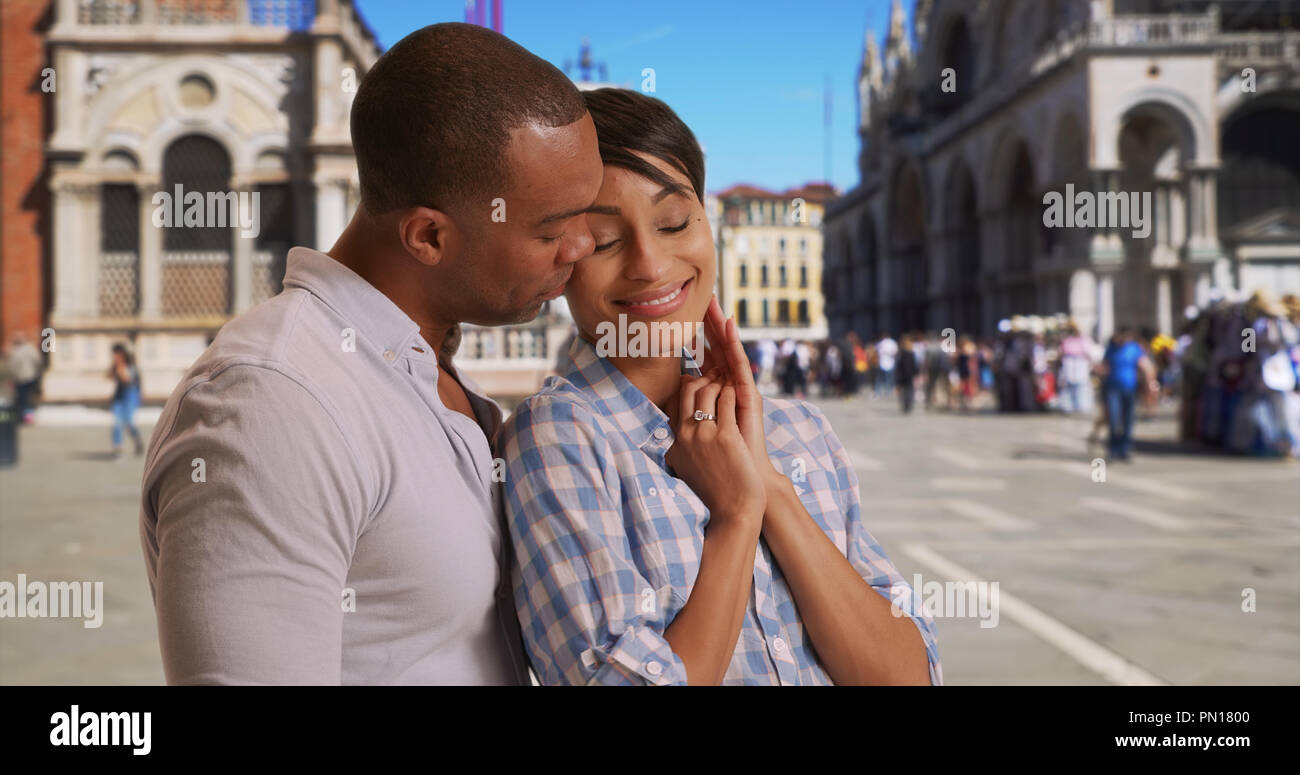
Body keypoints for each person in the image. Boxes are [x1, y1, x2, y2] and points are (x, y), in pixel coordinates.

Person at [139, 23, 603, 684]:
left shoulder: (425, 371)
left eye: (588, 213)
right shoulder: (273, 407)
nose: (582, 246)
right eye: (552, 227)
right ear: (429, 236)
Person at [501, 88, 940, 686]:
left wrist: (768, 486)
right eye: (605, 241)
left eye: (675, 222)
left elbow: (910, 676)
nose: (651, 264)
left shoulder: (800, 429)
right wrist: (735, 515)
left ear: (706, 221)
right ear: (562, 260)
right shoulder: (559, 436)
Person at [1100, 325, 1149, 461]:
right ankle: (1113, 448)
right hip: (1112, 389)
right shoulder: (1111, 348)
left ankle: (1125, 449)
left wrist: (1147, 384)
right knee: (1114, 420)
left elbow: (1143, 365)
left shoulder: (1134, 348)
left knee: (1128, 420)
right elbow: (1104, 365)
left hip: (1130, 389)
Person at [107, 343, 143, 458]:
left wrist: (120, 370)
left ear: (122, 354)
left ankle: (137, 441)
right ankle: (118, 447)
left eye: (116, 354)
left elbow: (127, 381)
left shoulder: (131, 367)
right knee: (117, 422)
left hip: (130, 397)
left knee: (129, 423)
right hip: (119, 397)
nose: (114, 357)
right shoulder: (116, 366)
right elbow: (108, 376)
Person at [7, 333, 43, 424]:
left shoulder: (16, 351)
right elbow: (38, 361)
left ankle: (23, 418)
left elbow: (12, 367)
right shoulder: (31, 349)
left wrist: (12, 378)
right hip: (31, 377)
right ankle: (29, 418)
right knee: (29, 399)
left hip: (20, 379)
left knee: (22, 400)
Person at [895, 333, 919, 414]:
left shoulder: (902, 353)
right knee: (909, 389)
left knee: (905, 390)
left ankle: (906, 404)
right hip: (908, 374)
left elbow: (900, 365)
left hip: (903, 374)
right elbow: (913, 364)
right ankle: (908, 404)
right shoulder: (910, 353)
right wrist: (915, 373)